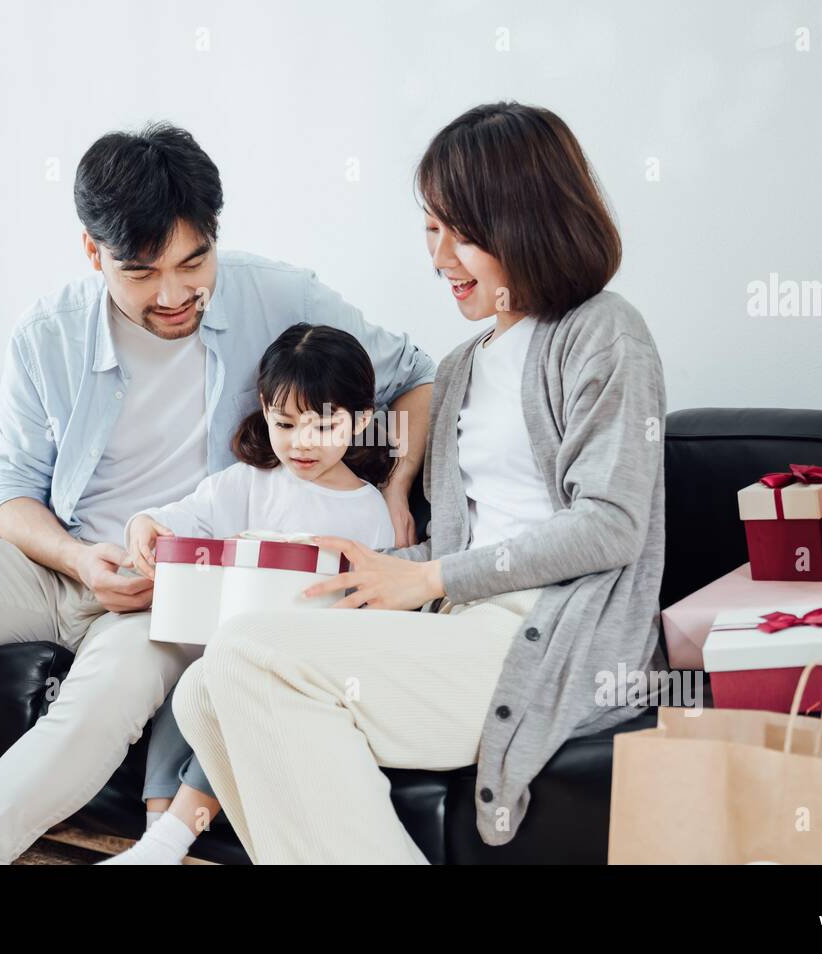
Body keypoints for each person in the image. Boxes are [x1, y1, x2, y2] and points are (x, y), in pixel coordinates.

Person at [0, 122, 434, 865]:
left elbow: (418, 373)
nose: (174, 294)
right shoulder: (47, 334)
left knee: (104, 699)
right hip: (59, 564)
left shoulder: (281, 295)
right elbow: (9, 491)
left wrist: (397, 488)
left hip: (166, 597)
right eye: (142, 272)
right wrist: (78, 559)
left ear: (214, 235)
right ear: (92, 251)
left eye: (194, 262)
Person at [171, 101, 668, 863]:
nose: (439, 259)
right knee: (201, 691)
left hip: (548, 639)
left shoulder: (603, 330)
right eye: (430, 231)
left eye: (459, 233)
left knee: (245, 660)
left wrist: (429, 574)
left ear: (524, 221)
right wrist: (365, 567)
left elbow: (610, 523)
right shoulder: (463, 367)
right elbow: (470, 542)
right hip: (459, 622)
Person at [103, 322, 398, 864]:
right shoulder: (247, 483)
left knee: (236, 699)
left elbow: (373, 607)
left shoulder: (369, 512)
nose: (302, 443)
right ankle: (156, 840)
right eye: (285, 424)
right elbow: (181, 517)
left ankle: (166, 844)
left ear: (360, 421)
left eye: (323, 426)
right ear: (264, 409)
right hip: (221, 658)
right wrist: (145, 523)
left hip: (301, 670)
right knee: (191, 685)